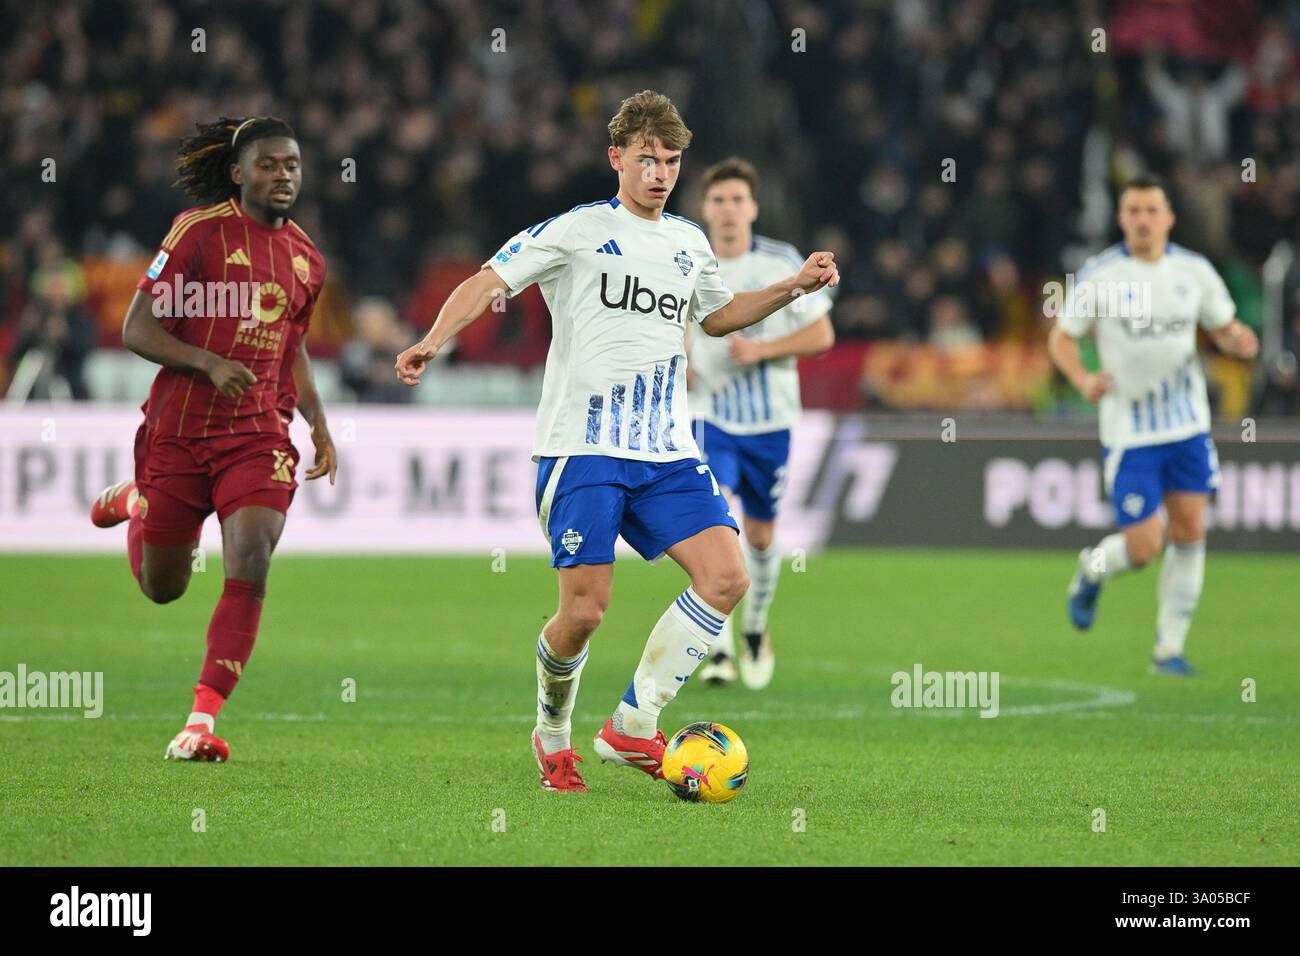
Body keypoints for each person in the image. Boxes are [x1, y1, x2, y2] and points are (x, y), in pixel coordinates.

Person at [395, 90, 839, 792]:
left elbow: (719, 319)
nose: (659, 173)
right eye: (646, 160)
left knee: (728, 576)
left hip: (665, 449)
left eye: (670, 161)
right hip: (583, 448)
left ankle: (633, 726)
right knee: (585, 612)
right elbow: (488, 279)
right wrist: (433, 340)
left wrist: (793, 286)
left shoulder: (689, 243)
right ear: (616, 159)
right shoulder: (575, 230)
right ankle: (551, 734)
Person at [90, 117, 336, 760]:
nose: (283, 175)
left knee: (251, 556)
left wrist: (317, 421)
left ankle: (200, 721)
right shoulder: (199, 233)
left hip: (257, 434)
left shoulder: (308, 259)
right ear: (238, 172)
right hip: (179, 432)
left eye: (292, 165)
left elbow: (295, 348)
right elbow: (137, 330)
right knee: (162, 586)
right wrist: (205, 362)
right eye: (268, 165)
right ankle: (137, 502)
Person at [1047, 174, 1258, 675]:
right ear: (1122, 219)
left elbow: (1223, 327)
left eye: (1151, 210)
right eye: (1134, 211)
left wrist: (1238, 341)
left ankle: (1168, 649)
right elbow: (1062, 337)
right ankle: (1091, 569)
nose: (1143, 219)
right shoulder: (1100, 276)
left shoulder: (1195, 271)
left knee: (1189, 529)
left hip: (1187, 426)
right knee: (1143, 547)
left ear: (1169, 218)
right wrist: (1082, 379)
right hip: (1131, 432)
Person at [686, 158, 834, 689]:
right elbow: (680, 324)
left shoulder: (782, 261)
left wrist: (764, 350)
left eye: (736, 200)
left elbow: (821, 337)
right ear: (705, 208)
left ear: (753, 207)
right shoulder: (689, 258)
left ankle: (754, 627)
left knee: (763, 533)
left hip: (770, 420)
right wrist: (680, 363)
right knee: (715, 522)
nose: (727, 210)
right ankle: (719, 648)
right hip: (710, 418)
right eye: (718, 200)